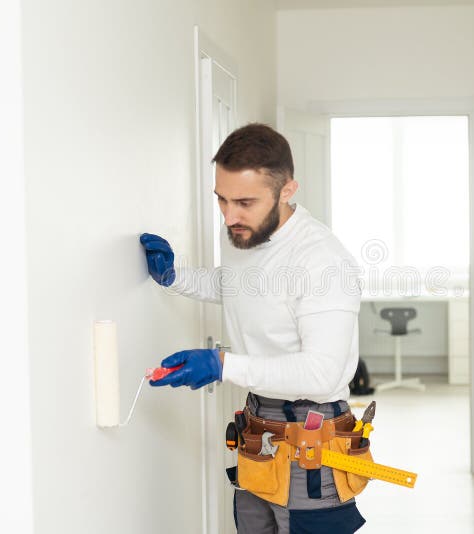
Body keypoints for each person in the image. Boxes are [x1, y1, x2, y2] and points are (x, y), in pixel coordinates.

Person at [140, 123, 367, 533]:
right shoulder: (242, 233)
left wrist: (222, 364)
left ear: (287, 191)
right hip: (258, 429)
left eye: (244, 201)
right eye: (221, 200)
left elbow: (323, 373)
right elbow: (237, 285)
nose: (229, 216)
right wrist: (175, 277)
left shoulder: (322, 261)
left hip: (310, 437)